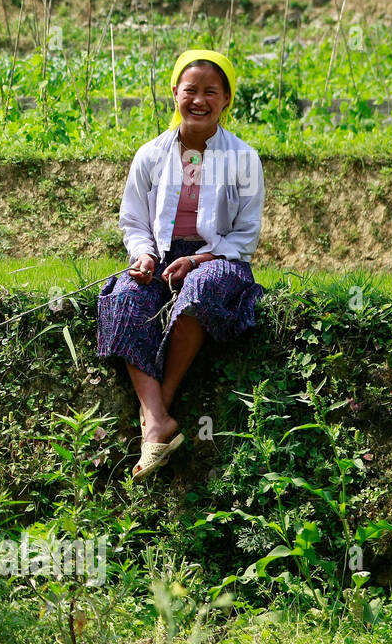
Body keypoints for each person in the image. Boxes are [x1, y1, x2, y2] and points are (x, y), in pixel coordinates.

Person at [96, 49, 266, 481]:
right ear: (175, 93)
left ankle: (159, 407)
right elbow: (133, 220)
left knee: (201, 289)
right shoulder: (150, 155)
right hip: (161, 260)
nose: (199, 100)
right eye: (190, 90)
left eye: (211, 91)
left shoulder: (243, 159)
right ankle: (158, 419)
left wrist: (195, 258)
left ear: (227, 99)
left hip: (216, 259)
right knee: (124, 296)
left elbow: (245, 234)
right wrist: (146, 256)